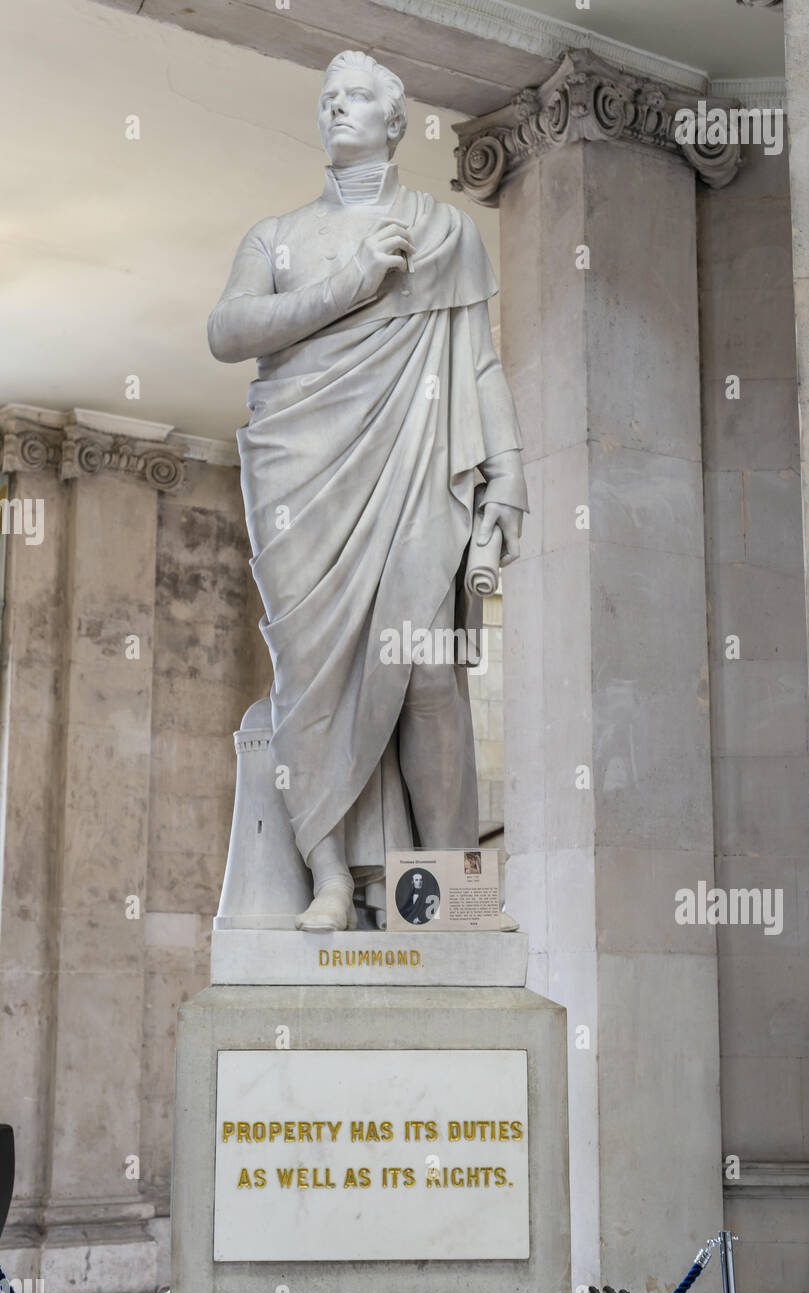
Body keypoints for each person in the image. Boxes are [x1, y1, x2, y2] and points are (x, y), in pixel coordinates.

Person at [208, 50, 527, 931]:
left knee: (427, 673)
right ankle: (332, 878)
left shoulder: (442, 230)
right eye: (328, 98)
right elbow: (227, 332)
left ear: (395, 123)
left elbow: (480, 362)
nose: (337, 109)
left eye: (357, 99)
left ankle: (454, 897)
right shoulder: (276, 236)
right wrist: (354, 282)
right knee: (310, 672)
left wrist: (507, 476)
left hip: (415, 461)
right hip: (300, 472)